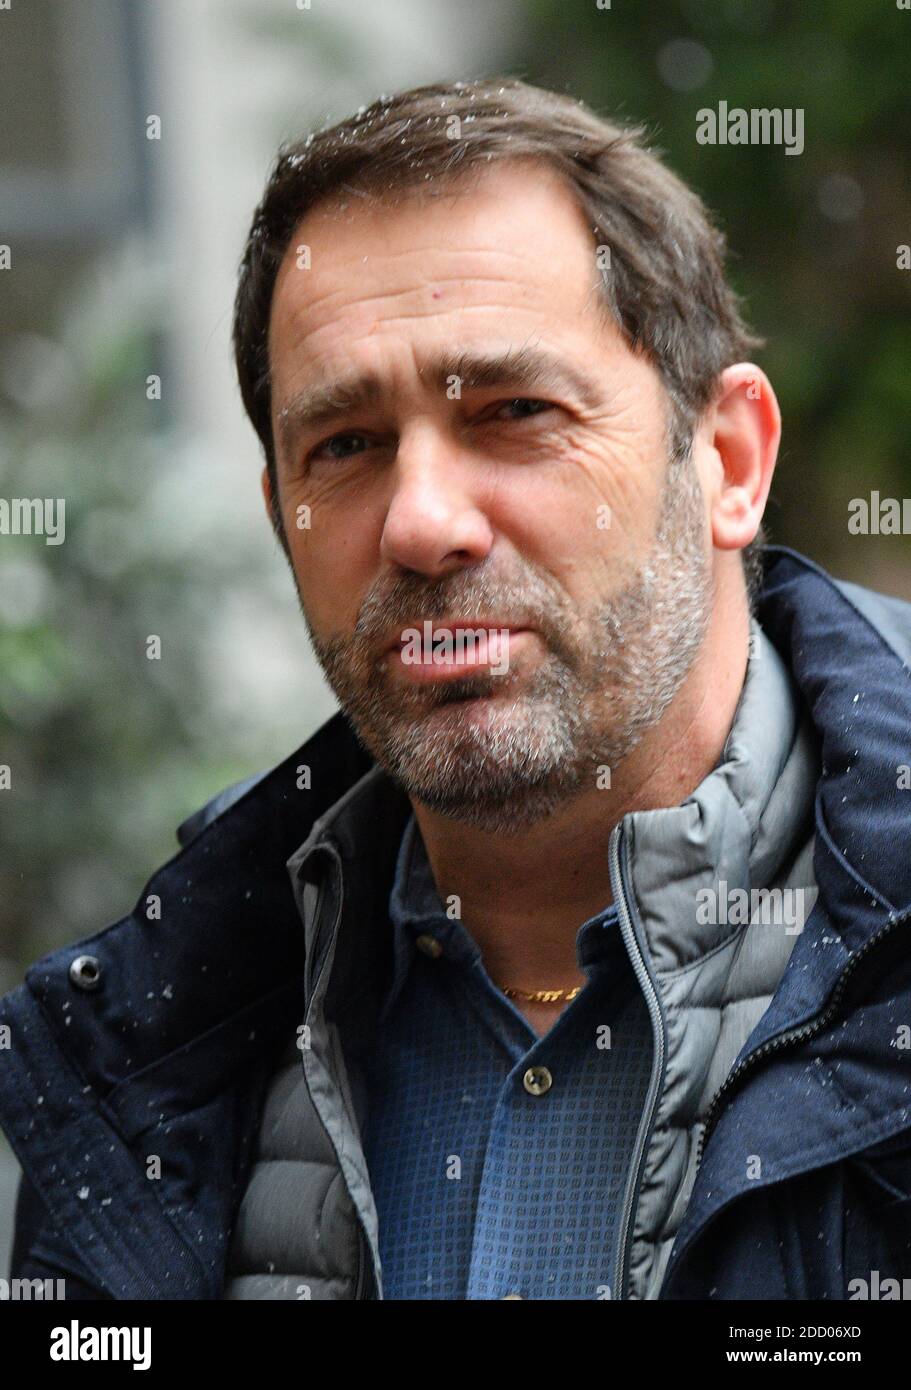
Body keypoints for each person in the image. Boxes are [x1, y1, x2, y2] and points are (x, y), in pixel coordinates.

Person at [2, 77, 909, 1302]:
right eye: (347, 445)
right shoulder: (164, 1049)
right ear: (285, 516)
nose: (422, 524)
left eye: (513, 412)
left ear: (727, 461)